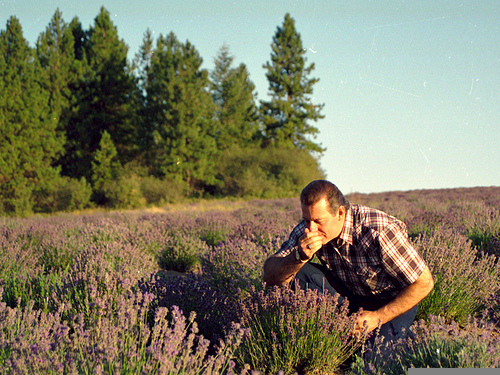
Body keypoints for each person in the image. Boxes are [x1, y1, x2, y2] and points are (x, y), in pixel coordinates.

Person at [263, 180, 434, 340]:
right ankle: (336, 336)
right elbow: (269, 276)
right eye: (307, 220)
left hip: (392, 301)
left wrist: (377, 317)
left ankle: (404, 339)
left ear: (339, 213)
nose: (310, 229)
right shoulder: (307, 228)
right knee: (301, 271)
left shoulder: (379, 230)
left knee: (375, 359)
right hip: (352, 295)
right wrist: (298, 258)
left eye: (318, 221)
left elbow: (424, 283)